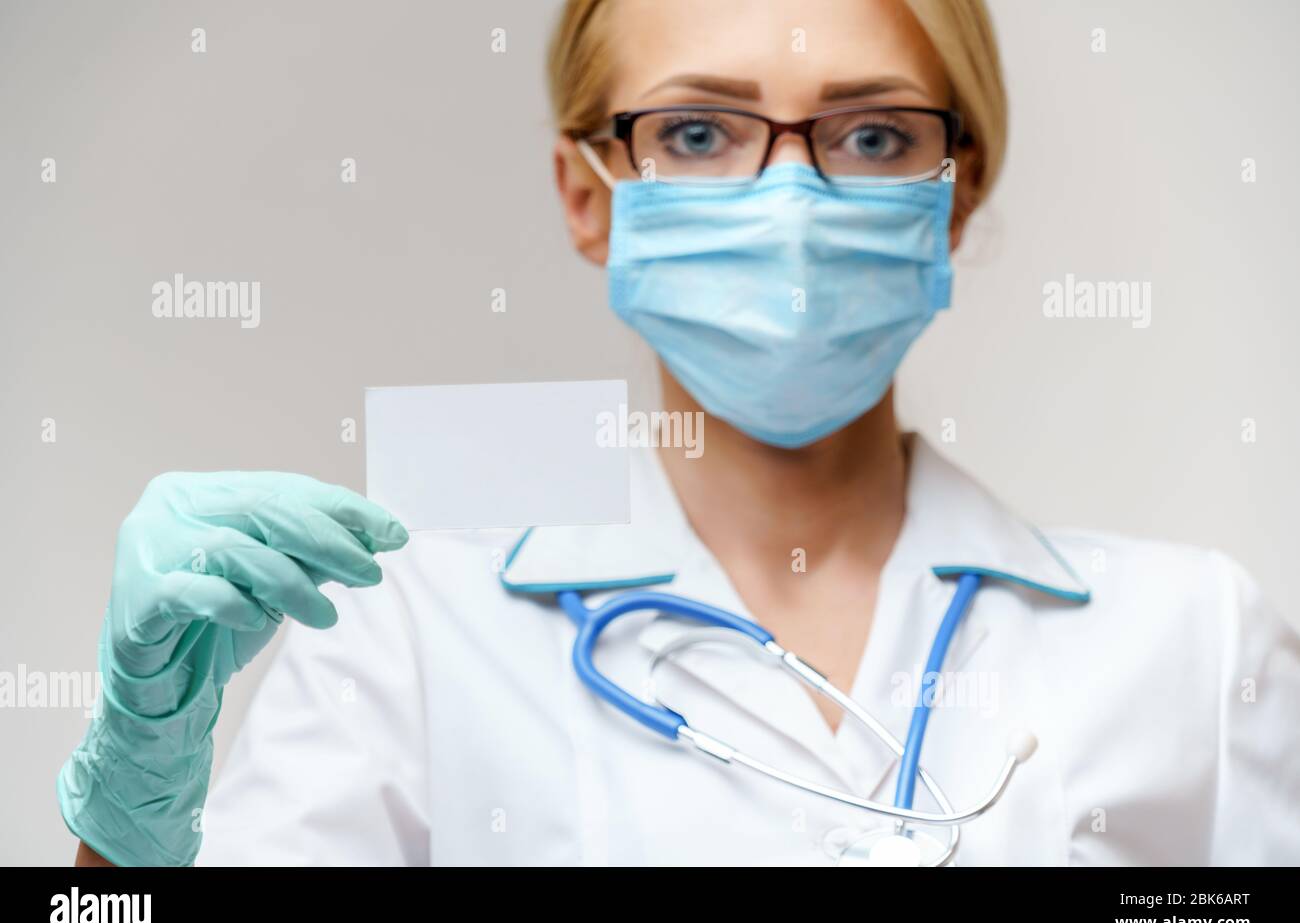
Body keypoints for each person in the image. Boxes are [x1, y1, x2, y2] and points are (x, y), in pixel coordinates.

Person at [59, 0, 1300, 867]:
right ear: (586, 195)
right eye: (700, 134)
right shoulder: (407, 628)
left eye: (872, 136)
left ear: (956, 190)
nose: (792, 198)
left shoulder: (1191, 643)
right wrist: (128, 821)